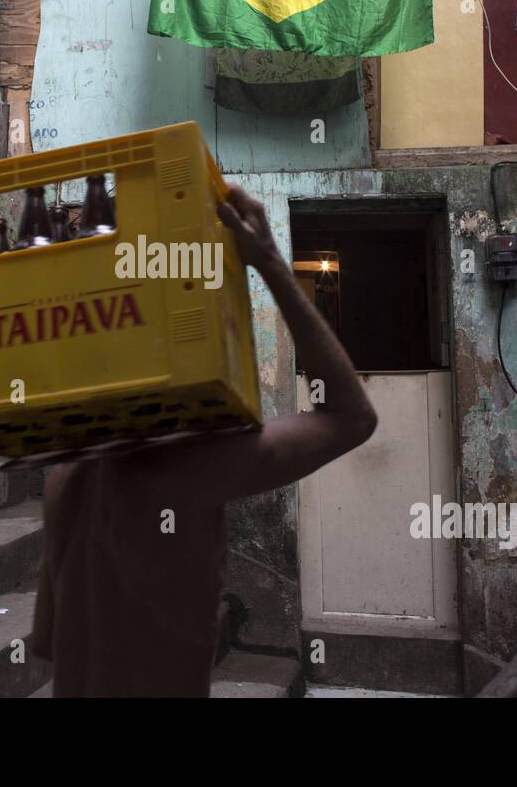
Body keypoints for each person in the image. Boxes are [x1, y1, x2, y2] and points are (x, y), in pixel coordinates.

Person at [29, 184, 378, 697]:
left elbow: (50, 645)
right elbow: (351, 416)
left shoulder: (64, 473)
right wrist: (269, 263)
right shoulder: (184, 465)